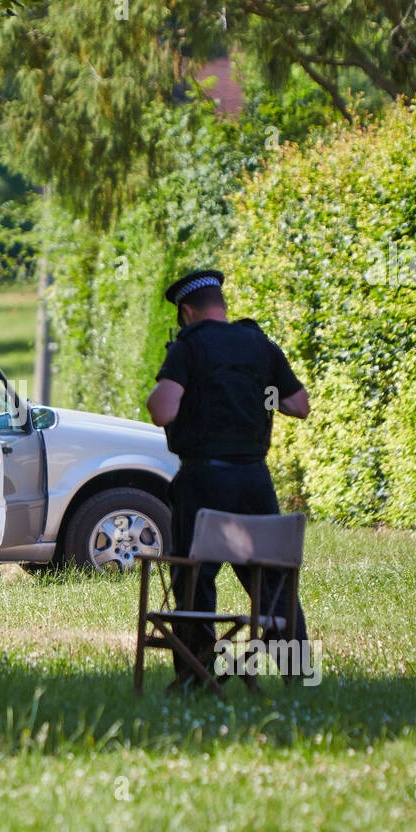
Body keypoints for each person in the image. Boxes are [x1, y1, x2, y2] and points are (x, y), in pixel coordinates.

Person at [144, 269, 312, 691]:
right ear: (221, 305)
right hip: (255, 482)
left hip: (203, 483)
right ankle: (298, 671)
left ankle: (196, 674)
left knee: (195, 576)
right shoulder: (259, 344)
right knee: (272, 577)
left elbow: (163, 411)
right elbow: (298, 404)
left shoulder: (188, 347)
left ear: (186, 312)